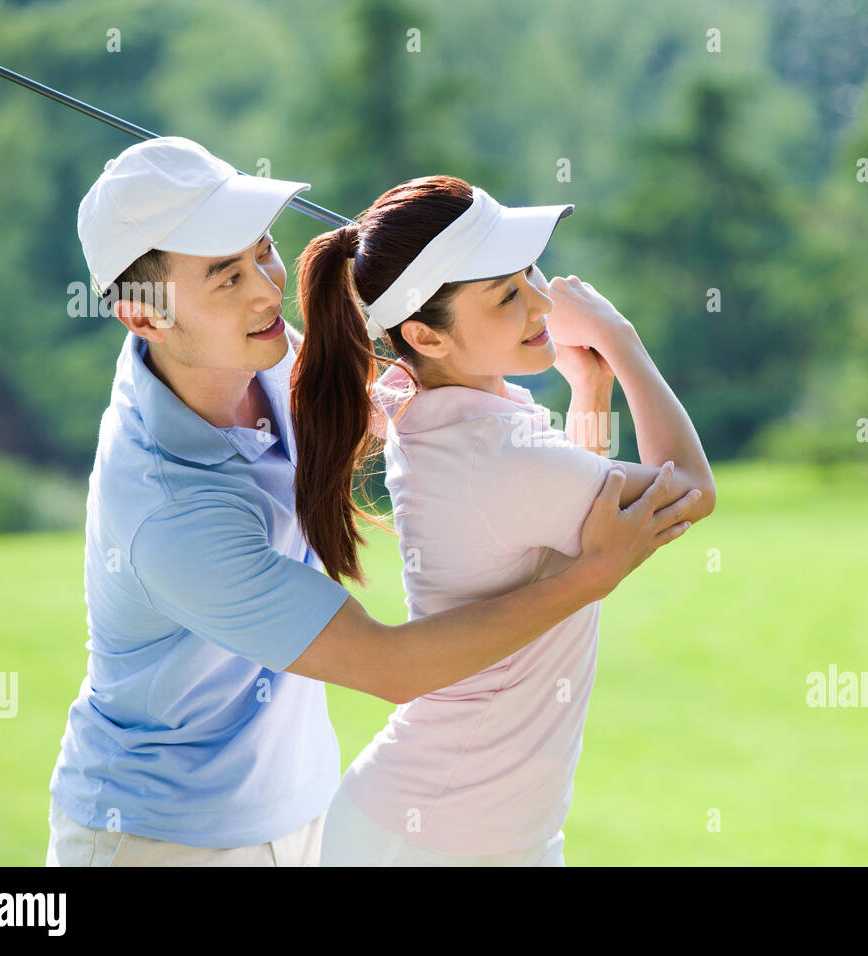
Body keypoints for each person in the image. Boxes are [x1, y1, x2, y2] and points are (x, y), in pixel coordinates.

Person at [45, 137, 700, 866]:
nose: (267, 289)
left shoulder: (261, 355)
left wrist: (458, 300)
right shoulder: (171, 514)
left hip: (304, 808)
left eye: (262, 250)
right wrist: (585, 579)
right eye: (225, 277)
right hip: (155, 839)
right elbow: (393, 667)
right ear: (144, 317)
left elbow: (396, 404)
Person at [291, 175, 716, 866]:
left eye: (528, 277)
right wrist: (622, 338)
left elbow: (563, 517)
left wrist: (590, 387)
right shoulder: (493, 449)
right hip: (436, 839)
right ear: (427, 335)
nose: (542, 302)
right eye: (506, 295)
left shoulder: (453, 417)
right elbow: (691, 491)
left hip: (457, 829)